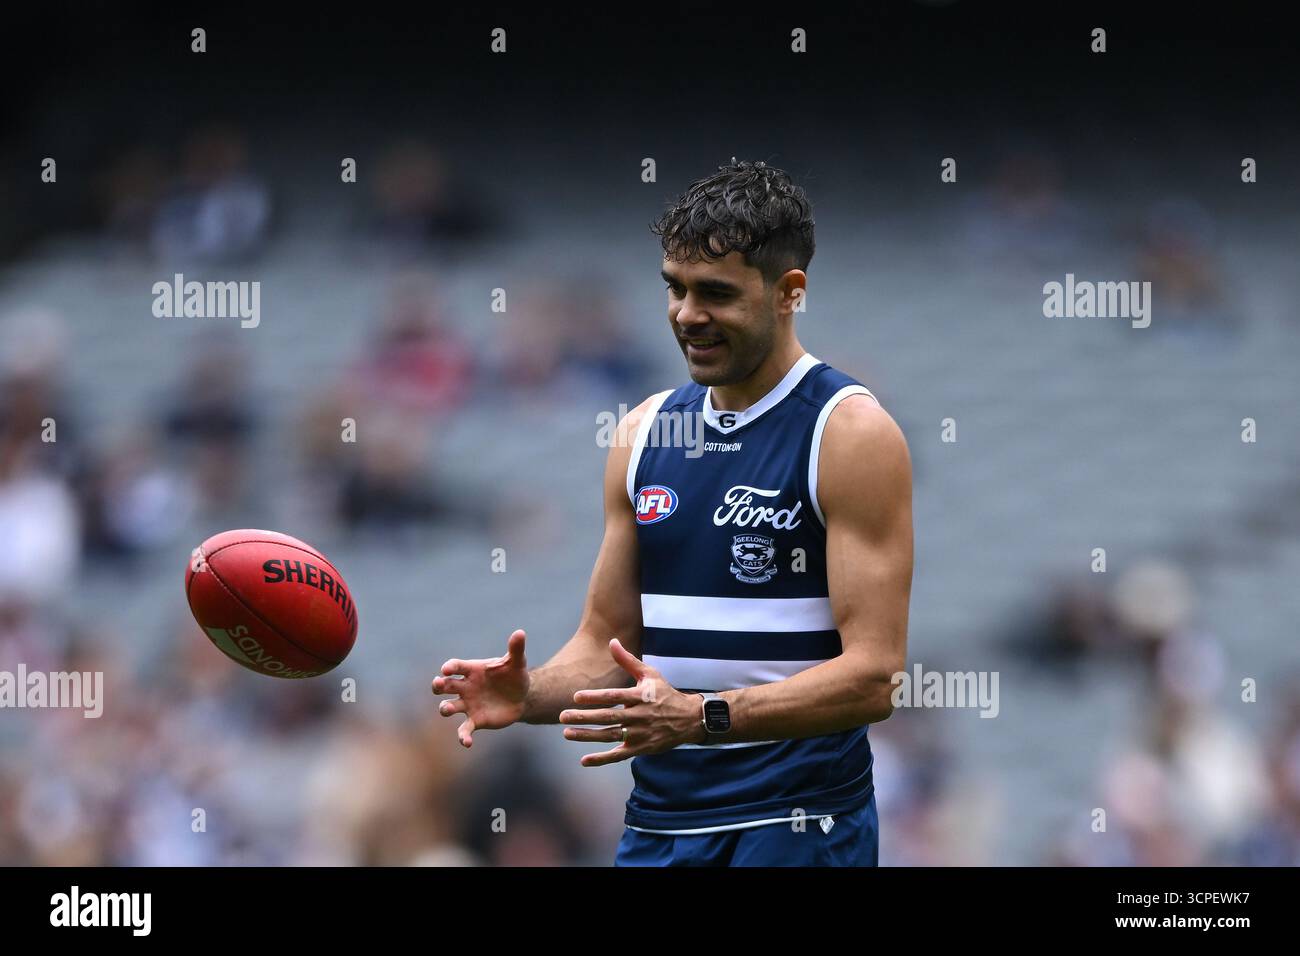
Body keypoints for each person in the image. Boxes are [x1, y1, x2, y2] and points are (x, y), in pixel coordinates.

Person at [432, 160, 913, 866]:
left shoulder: (847, 434)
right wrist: (530, 693)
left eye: (715, 293)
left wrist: (702, 716)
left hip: (797, 825)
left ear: (788, 293)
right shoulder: (644, 432)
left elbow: (874, 677)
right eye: (675, 289)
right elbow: (607, 645)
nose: (688, 314)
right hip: (661, 826)